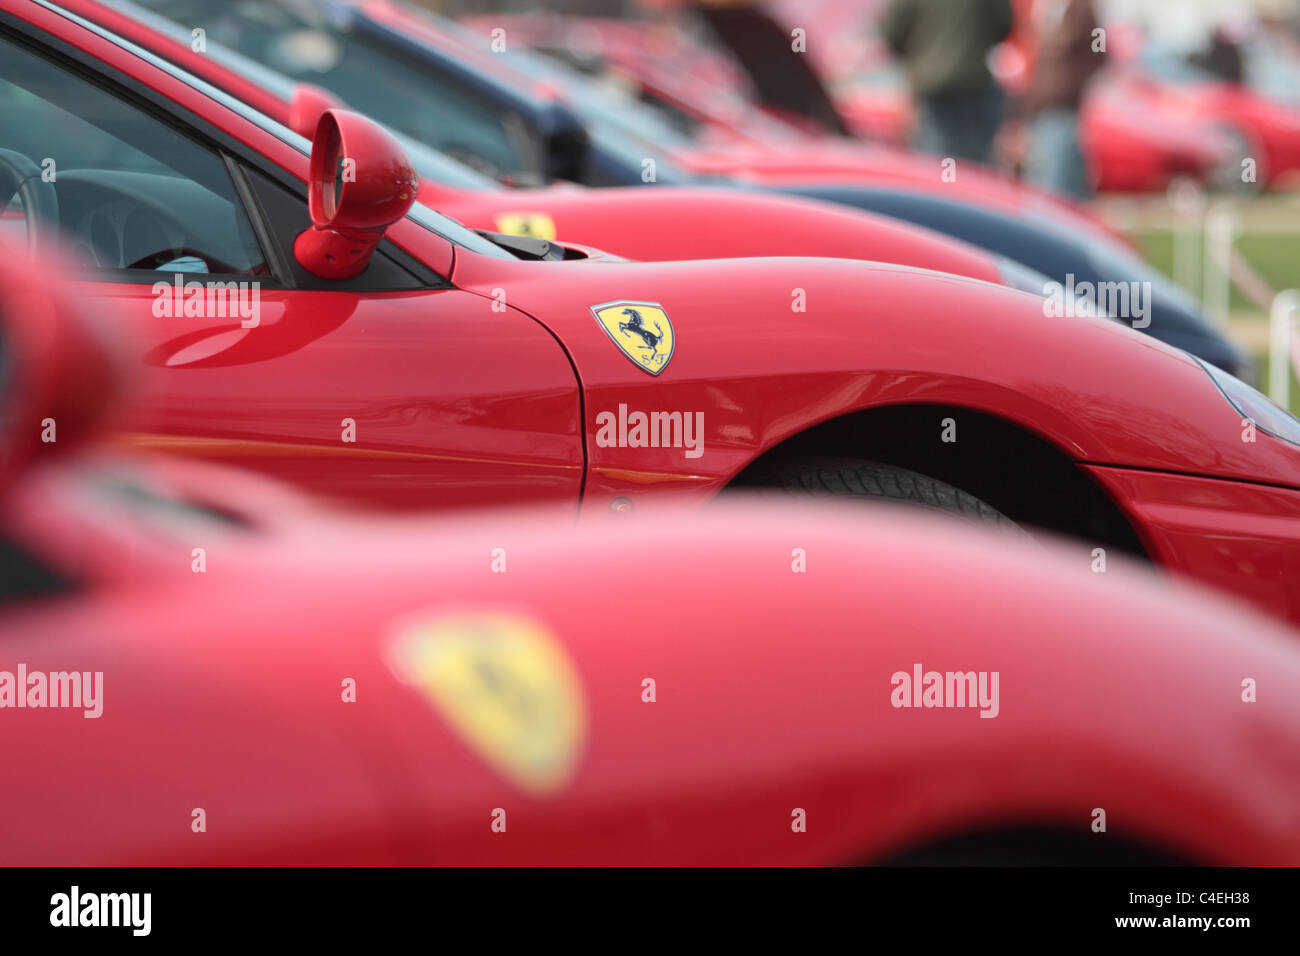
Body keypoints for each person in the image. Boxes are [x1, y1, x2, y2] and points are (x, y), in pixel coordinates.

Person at [880, 0, 1014, 163]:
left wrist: (917, 59)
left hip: (935, 87)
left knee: (940, 164)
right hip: (974, 84)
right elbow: (1004, 25)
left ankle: (947, 183)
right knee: (972, 166)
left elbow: (891, 32)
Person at [1020, 0, 1104, 199]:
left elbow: (1099, 53)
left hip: (1062, 111)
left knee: (1056, 186)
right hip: (1042, 113)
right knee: (1044, 182)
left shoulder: (1081, 9)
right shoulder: (1046, 11)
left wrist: (1073, 85)